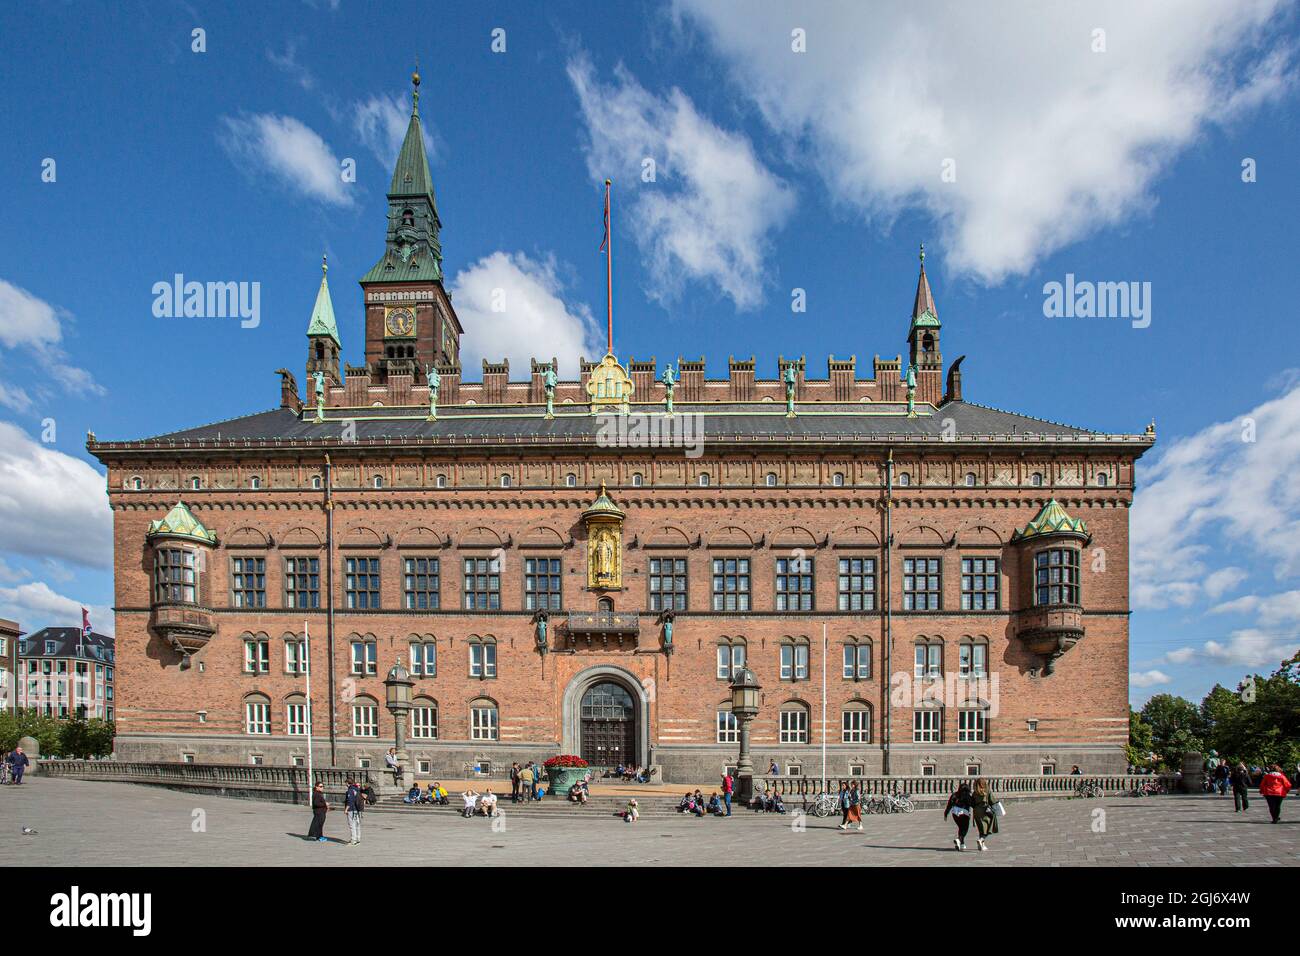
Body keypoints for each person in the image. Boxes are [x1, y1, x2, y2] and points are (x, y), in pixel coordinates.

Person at [971, 778, 999, 851]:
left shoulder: (975, 792)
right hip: (985, 811)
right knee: (988, 827)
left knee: (981, 828)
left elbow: (972, 803)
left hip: (976, 811)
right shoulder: (987, 791)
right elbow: (992, 801)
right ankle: (981, 839)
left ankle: (982, 845)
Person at [944, 781, 974, 850]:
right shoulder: (967, 796)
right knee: (965, 828)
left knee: (961, 827)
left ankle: (962, 844)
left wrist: (946, 813)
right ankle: (959, 839)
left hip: (955, 813)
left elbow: (949, 804)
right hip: (964, 813)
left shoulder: (954, 794)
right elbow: (972, 804)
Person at [344, 777, 365, 846]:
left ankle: (353, 840)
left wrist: (346, 809)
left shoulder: (350, 790)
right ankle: (358, 839)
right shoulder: (357, 789)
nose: (346, 785)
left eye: (346, 783)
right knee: (357, 824)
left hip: (351, 809)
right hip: (357, 809)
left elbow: (350, 801)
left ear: (348, 783)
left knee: (352, 825)